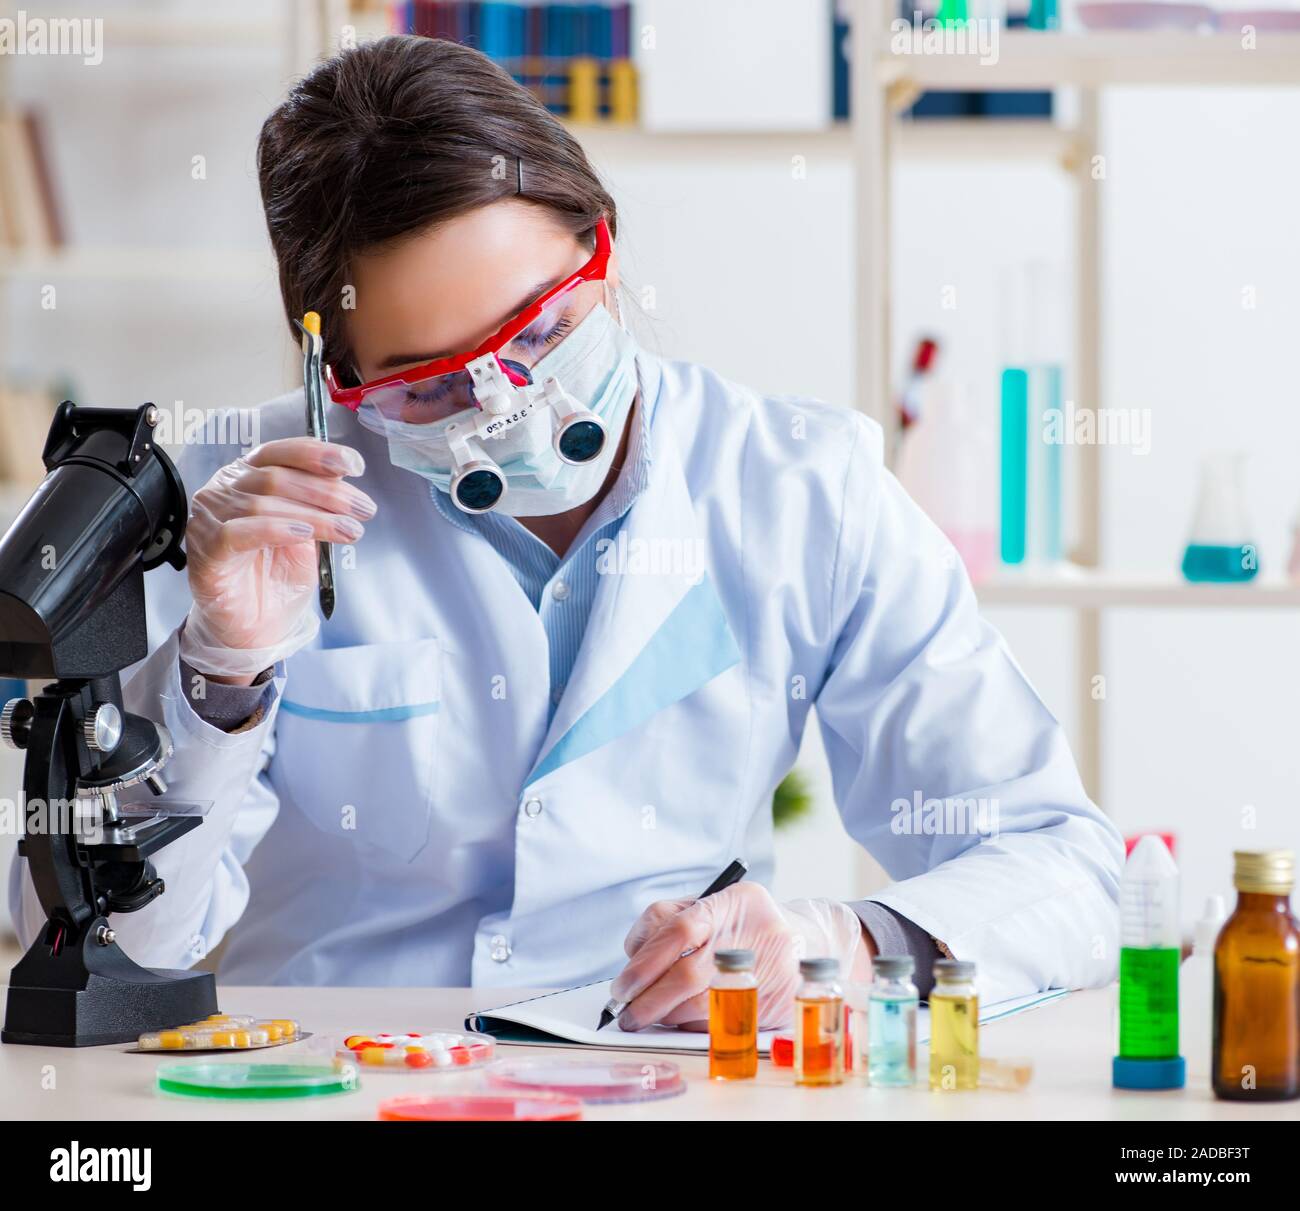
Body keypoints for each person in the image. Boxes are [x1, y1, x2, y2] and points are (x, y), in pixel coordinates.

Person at [9, 36, 1122, 1030]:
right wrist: (220, 673)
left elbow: (1062, 868)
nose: (510, 404)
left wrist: (841, 937)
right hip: (323, 1082)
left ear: (605, 244)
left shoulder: (799, 489)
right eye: (430, 387)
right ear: (331, 379)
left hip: (668, 1081)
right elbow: (107, 949)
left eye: (541, 327)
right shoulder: (222, 505)